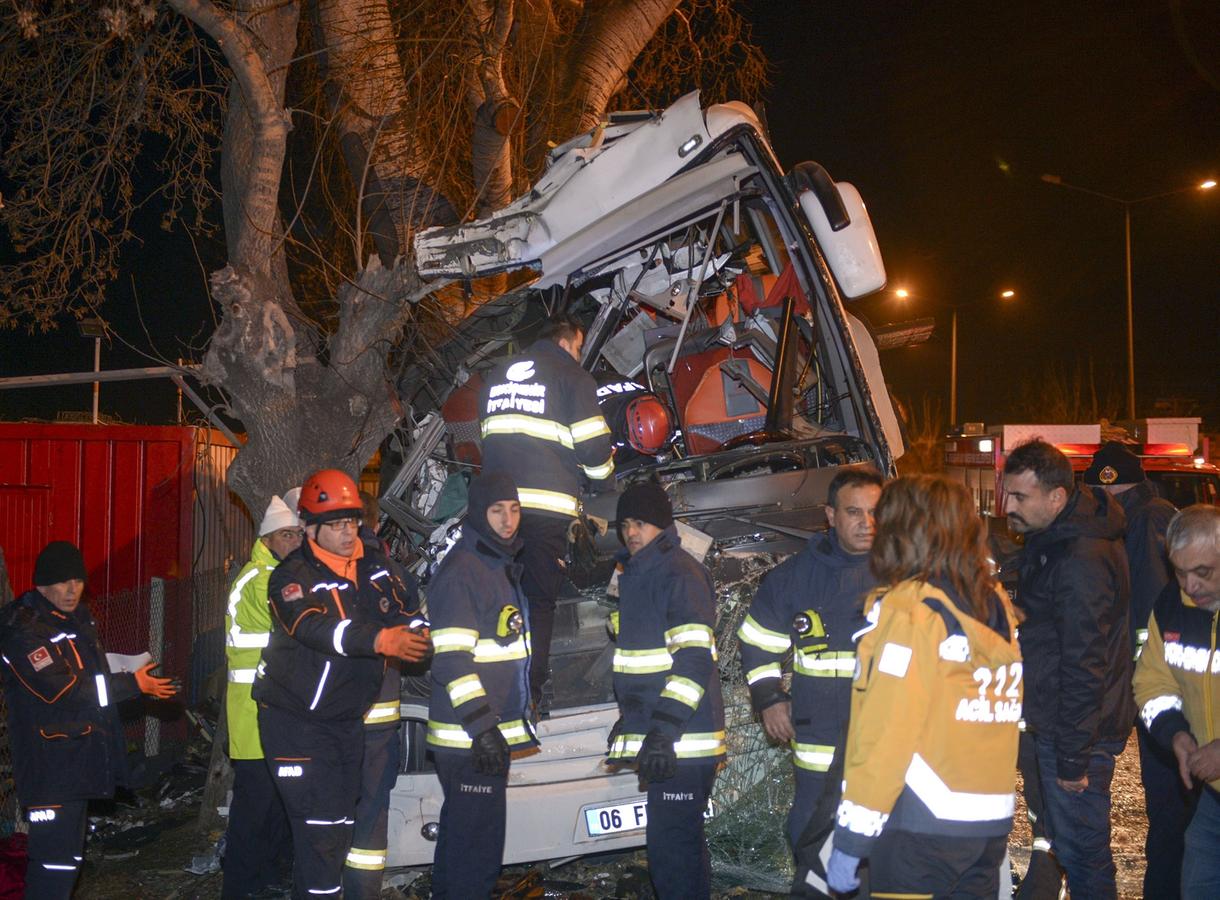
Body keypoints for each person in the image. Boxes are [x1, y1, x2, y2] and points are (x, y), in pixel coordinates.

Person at [827, 476, 1023, 897]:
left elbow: (886, 733)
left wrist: (852, 838)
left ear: (904, 531)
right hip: (986, 824)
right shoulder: (993, 604)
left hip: (919, 825)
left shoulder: (910, 611)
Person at [253, 469, 429, 899]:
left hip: (347, 721)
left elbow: (405, 609)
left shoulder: (375, 568)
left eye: (351, 521)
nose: (347, 532)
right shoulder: (291, 576)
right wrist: (379, 640)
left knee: (340, 827)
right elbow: (313, 627)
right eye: (335, 524)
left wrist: (418, 635)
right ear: (309, 528)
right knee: (321, 835)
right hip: (296, 723)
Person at [0, 541, 178, 899]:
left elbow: (88, 678)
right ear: (42, 584)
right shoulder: (24, 630)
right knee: (52, 865)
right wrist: (130, 684)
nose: (72, 590)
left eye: (78, 581)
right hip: (49, 767)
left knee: (68, 861)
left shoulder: (74, 620)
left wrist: (125, 677)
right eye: (63, 582)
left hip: (75, 762)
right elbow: (64, 690)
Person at [1002, 439, 1134, 899]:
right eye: (1007, 493)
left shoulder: (1080, 557)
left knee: (1083, 856)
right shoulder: (1058, 539)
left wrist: (1074, 757)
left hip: (1076, 733)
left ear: (1056, 497)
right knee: (1073, 848)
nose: (1007, 506)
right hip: (1064, 724)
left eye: (1020, 497)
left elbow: (1084, 660)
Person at [737, 467, 882, 853]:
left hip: (886, 741)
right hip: (820, 739)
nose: (867, 523)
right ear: (831, 516)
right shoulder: (794, 577)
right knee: (811, 836)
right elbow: (756, 641)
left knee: (883, 848)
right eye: (854, 512)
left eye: (875, 512)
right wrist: (769, 698)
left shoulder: (905, 575)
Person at [479, 313, 615, 711]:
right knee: (540, 601)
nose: (579, 355)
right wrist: (605, 485)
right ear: (566, 342)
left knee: (501, 599)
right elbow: (593, 448)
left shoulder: (497, 375)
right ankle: (530, 695)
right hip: (545, 510)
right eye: (579, 347)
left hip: (496, 510)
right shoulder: (571, 376)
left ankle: (495, 687)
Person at [607, 480, 724, 900]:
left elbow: (693, 661)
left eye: (640, 523)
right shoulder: (644, 573)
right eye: (625, 525)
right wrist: (633, 720)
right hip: (672, 739)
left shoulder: (677, 573)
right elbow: (648, 668)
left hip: (681, 742)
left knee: (672, 856)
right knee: (680, 851)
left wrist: (661, 732)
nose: (631, 532)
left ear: (662, 524)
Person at [426, 472, 538, 898]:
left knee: (465, 840)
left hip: (481, 735)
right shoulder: (464, 571)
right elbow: (452, 661)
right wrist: (483, 728)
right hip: (470, 739)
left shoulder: (495, 564)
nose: (508, 520)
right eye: (497, 511)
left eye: (514, 510)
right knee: (475, 850)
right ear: (477, 513)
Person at [1083, 440, 1183, 899]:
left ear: (1109, 490)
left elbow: (1147, 613)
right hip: (1169, 683)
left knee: (1170, 806)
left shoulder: (1143, 521)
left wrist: (1139, 688)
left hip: (1163, 688)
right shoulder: (1153, 514)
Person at [1132, 505, 1220, 899]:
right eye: (1180, 572)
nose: (1191, 586)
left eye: (1203, 572)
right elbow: (1152, 682)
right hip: (1212, 799)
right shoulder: (1171, 604)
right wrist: (1176, 734)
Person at [344, 512, 428, 898]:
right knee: (372, 811)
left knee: (327, 813)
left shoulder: (317, 574)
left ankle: (324, 886)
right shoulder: (392, 575)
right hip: (378, 722)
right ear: (375, 526)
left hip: (332, 723)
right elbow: (418, 638)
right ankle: (362, 892)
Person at [222, 491, 302, 898]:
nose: (295, 541)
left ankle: (264, 880)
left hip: (269, 707)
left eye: (297, 534)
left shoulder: (275, 574)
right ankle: (239, 886)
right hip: (253, 711)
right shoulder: (262, 579)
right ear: (267, 539)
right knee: (254, 809)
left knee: (272, 805)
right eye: (286, 535)